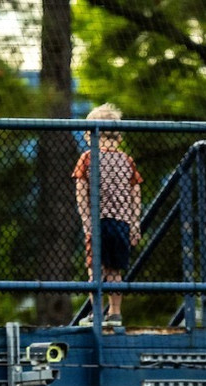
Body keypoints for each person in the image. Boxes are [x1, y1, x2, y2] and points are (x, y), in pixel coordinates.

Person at [72, 103, 140, 331]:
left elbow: (81, 191)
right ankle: (116, 312)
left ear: (90, 135)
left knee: (96, 269)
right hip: (122, 222)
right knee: (115, 270)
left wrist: (86, 220)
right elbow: (136, 193)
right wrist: (134, 223)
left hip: (98, 221)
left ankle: (97, 313)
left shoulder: (88, 158)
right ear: (118, 136)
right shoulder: (127, 161)